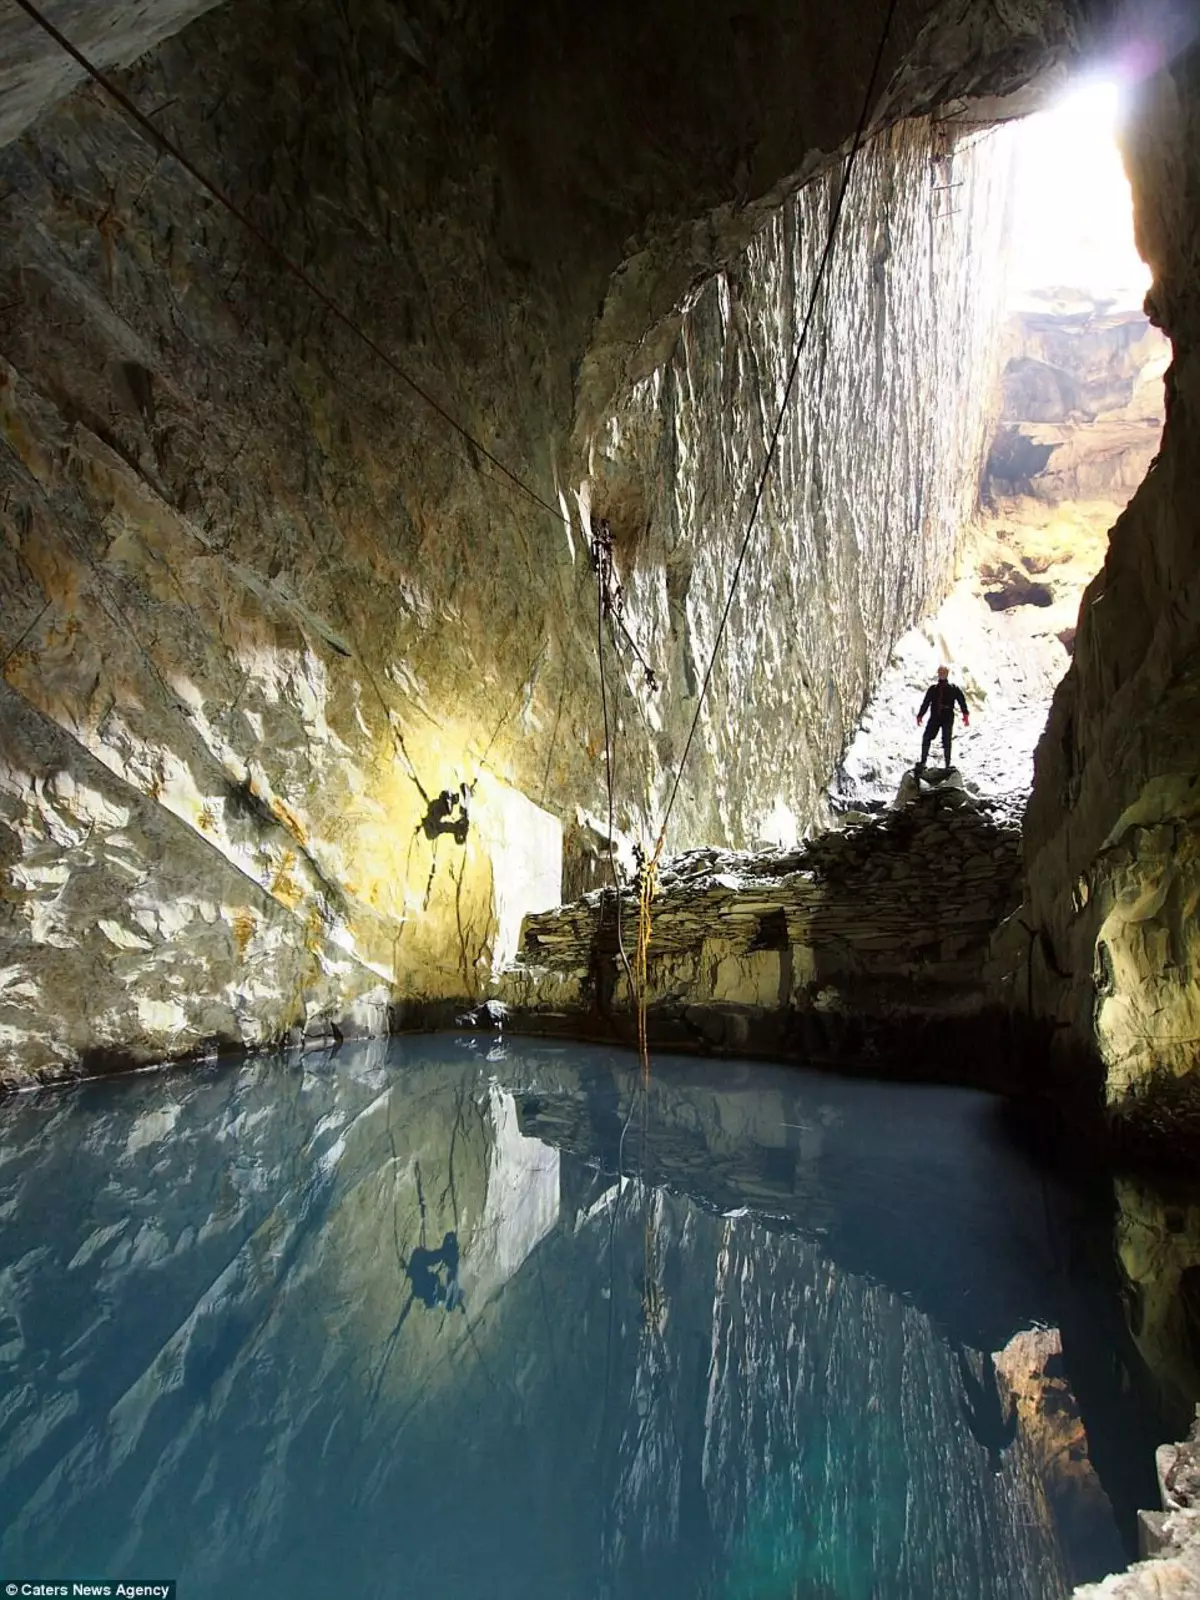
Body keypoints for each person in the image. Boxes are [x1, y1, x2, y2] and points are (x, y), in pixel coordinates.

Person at [916, 665, 969, 773]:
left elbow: (961, 701)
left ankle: (947, 764)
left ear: (947, 674)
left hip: (947, 717)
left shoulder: (953, 688)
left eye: (943, 673)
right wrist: (920, 715)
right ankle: (923, 762)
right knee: (926, 737)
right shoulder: (933, 689)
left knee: (947, 740)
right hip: (935, 717)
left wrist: (965, 714)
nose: (941, 675)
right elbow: (926, 703)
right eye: (939, 673)